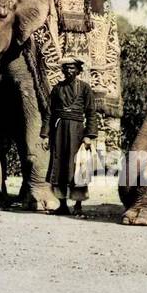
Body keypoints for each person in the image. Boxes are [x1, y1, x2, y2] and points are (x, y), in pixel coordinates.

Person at [48, 55, 97, 217]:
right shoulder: (57, 88)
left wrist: (89, 135)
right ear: (63, 70)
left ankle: (78, 205)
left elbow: (90, 113)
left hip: (77, 131)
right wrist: (45, 134)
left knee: (78, 166)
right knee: (60, 165)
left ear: (78, 70)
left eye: (72, 68)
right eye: (66, 68)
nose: (69, 71)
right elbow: (50, 113)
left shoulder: (85, 88)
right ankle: (62, 204)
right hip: (59, 130)